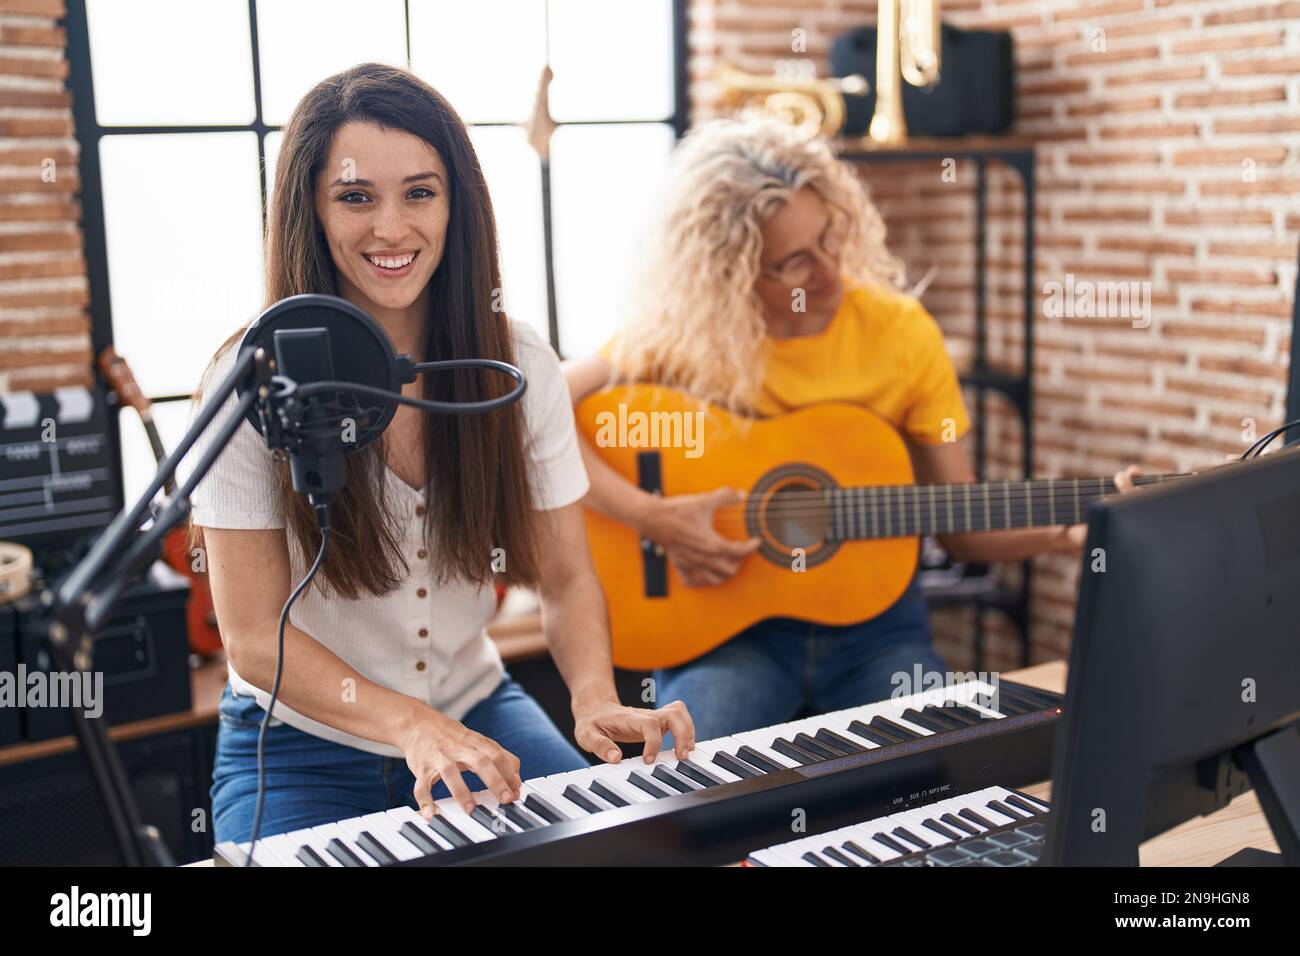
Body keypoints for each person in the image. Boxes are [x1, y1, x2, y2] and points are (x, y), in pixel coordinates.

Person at [190, 63, 695, 845]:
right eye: (356, 197)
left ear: (457, 206)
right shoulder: (247, 376)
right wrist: (409, 726)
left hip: (476, 714)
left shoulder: (521, 362)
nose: (392, 228)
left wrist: (594, 695)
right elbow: (255, 638)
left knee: (620, 853)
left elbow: (564, 576)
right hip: (297, 749)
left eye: (420, 193)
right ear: (311, 211)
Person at [563, 117, 1137, 742]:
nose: (829, 273)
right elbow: (536, 415)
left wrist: (1066, 533)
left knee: (943, 772)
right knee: (681, 790)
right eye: (793, 263)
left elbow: (963, 529)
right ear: (731, 271)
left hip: (878, 636)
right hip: (729, 638)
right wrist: (654, 517)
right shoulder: (688, 336)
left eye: (830, 238)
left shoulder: (903, 333)